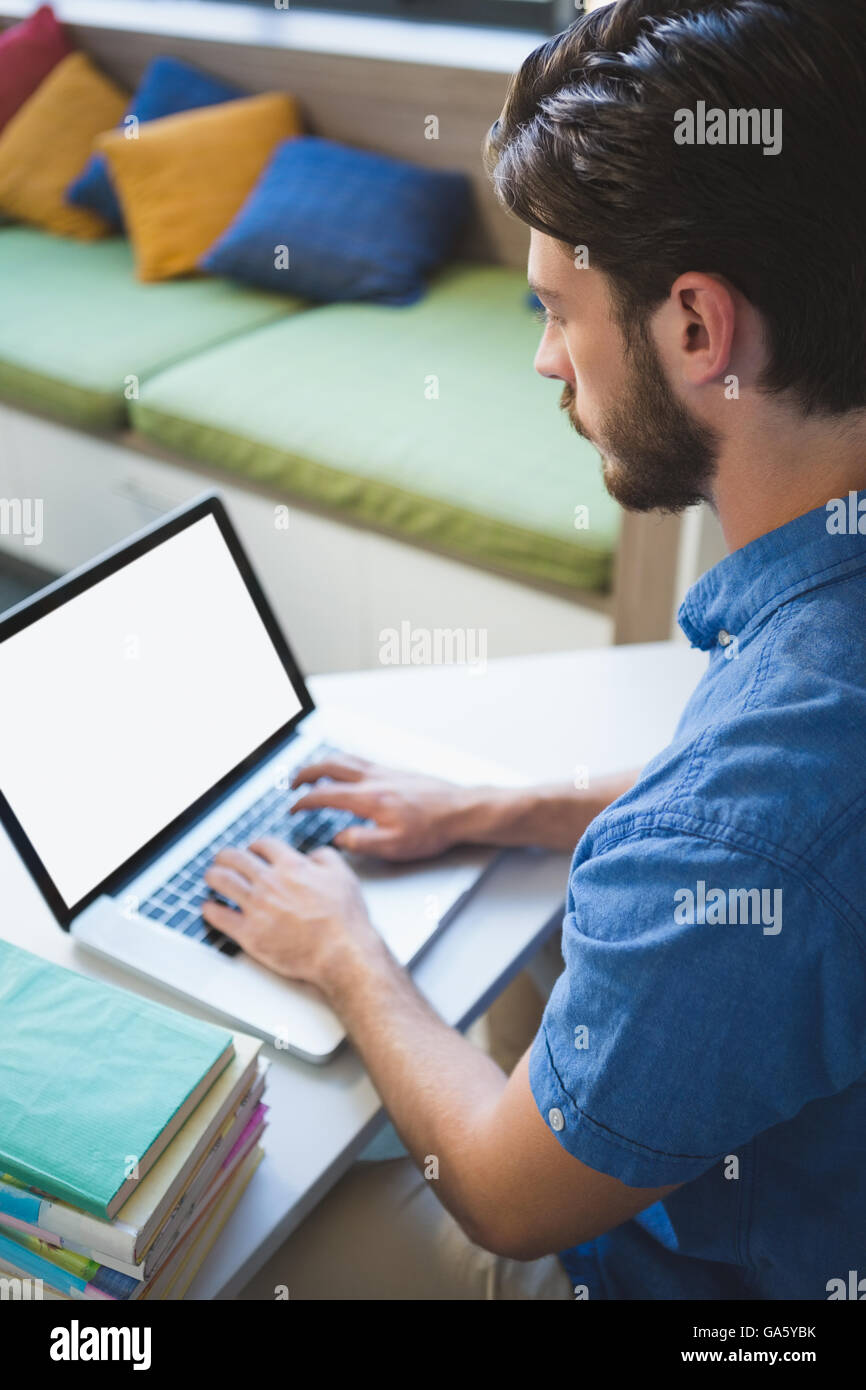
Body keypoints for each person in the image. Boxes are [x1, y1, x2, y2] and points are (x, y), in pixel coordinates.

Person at [206, 0, 866, 1300]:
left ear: (694, 329)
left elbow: (505, 1202)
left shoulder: (735, 820)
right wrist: (509, 807)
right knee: (518, 962)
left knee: (256, 1226)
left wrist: (343, 947)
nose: (543, 359)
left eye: (558, 308)